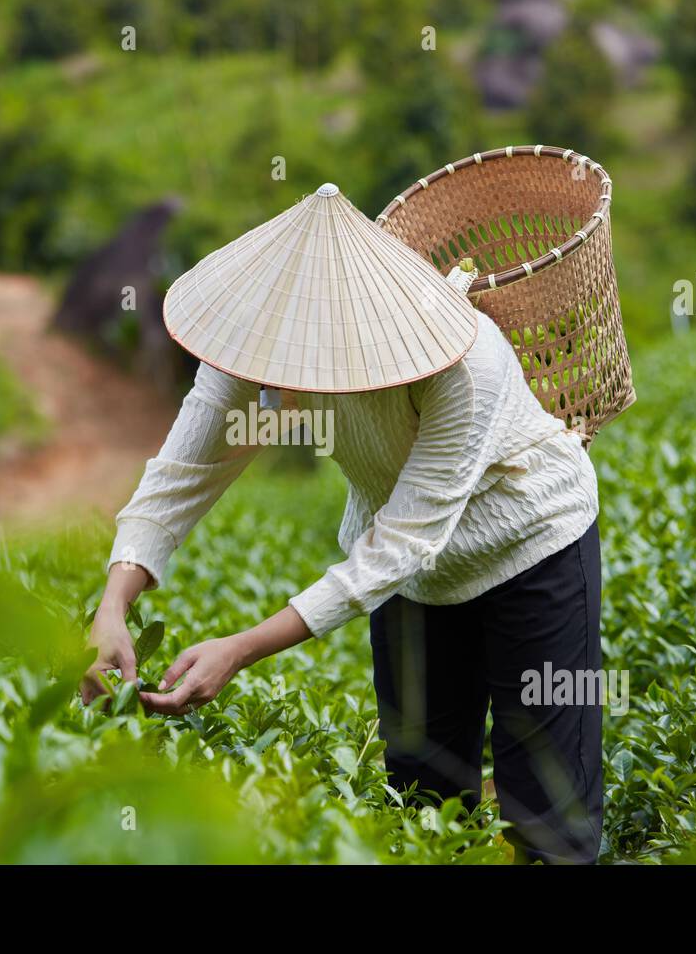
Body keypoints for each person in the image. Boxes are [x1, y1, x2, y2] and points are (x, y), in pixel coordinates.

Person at [81, 183, 603, 863]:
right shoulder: (259, 341)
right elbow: (183, 473)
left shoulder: (465, 365)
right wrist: (114, 602)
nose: (274, 387)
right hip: (415, 584)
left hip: (529, 543)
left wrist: (241, 648)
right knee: (421, 800)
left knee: (546, 817)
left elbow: (402, 544)